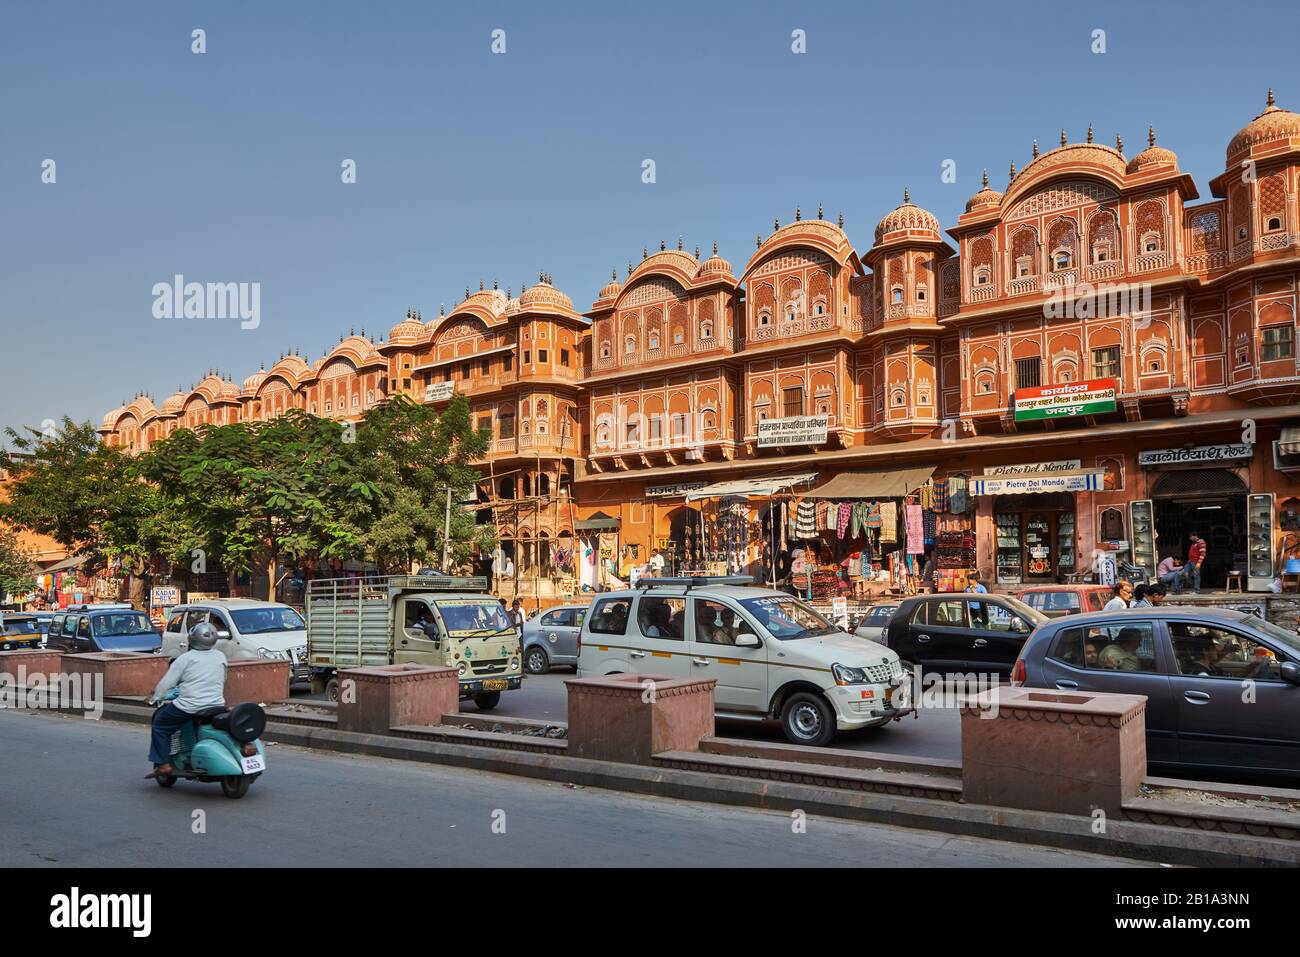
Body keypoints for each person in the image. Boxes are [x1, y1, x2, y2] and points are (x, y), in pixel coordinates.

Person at [145, 621, 228, 778]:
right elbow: (223, 679)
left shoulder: (185, 658)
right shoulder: (220, 656)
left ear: (192, 639)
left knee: (160, 725)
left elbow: (166, 683)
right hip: (217, 705)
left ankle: (163, 764)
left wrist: (154, 697)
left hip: (190, 707)